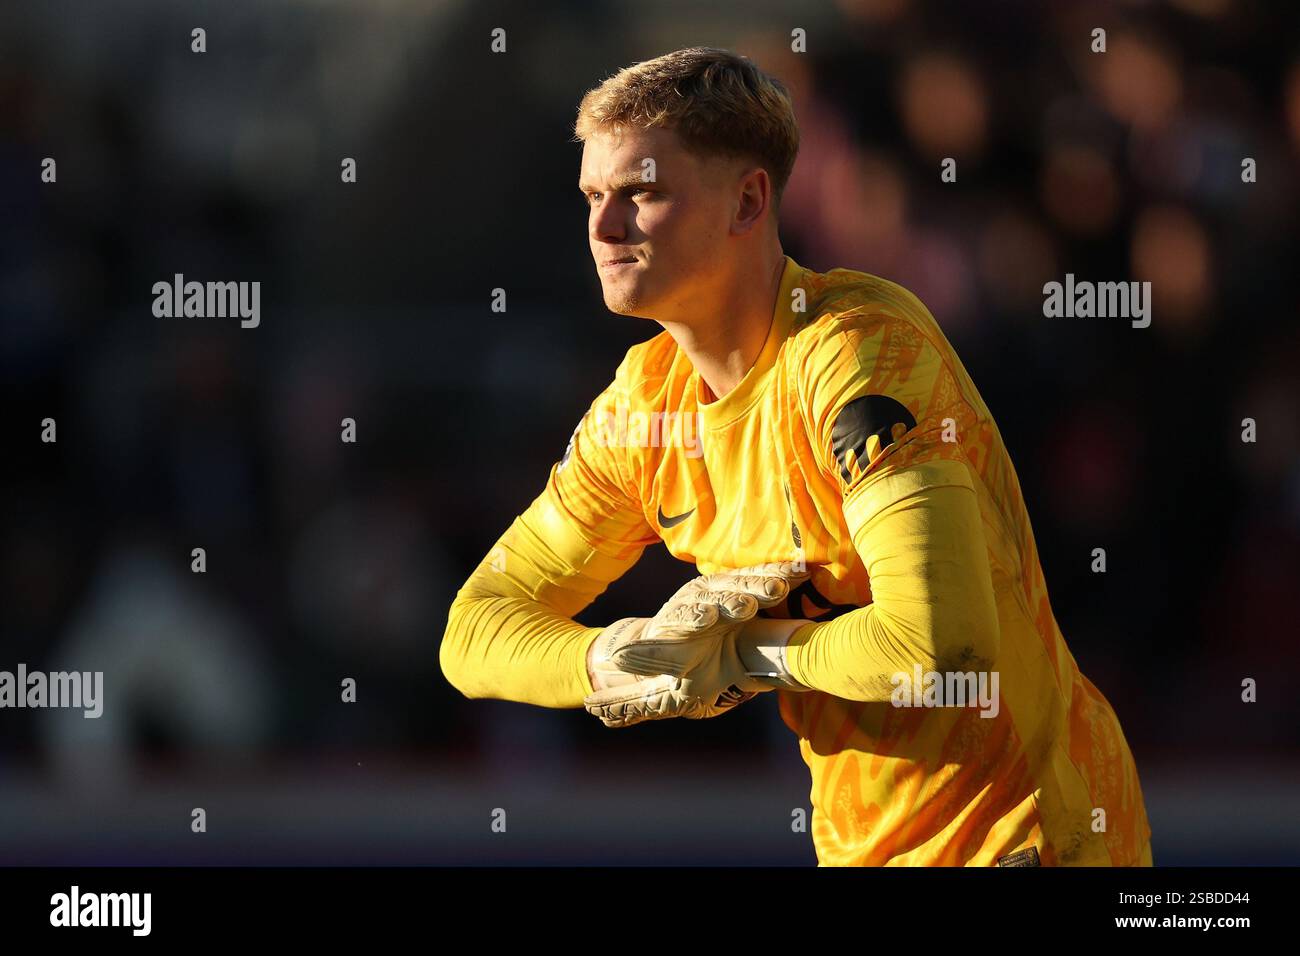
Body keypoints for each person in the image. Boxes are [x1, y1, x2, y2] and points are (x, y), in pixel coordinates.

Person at [441, 46, 1152, 867]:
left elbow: (941, 648)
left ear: (748, 201)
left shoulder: (854, 353)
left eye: (642, 192)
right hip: (864, 846)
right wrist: (622, 658)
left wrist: (745, 655)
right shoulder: (640, 413)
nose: (604, 227)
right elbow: (473, 634)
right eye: (594, 195)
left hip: (1027, 832)